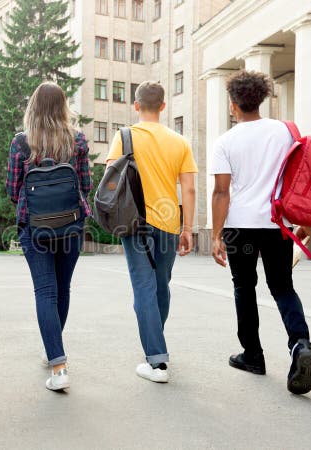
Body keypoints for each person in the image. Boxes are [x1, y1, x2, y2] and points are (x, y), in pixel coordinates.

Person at [210, 70, 311, 396]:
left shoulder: (225, 141)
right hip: (277, 222)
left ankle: (252, 356)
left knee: (244, 287)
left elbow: (221, 193)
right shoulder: (283, 132)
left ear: (233, 105)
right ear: (262, 99)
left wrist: (215, 235)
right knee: (283, 286)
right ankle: (300, 344)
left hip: (239, 227)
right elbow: (302, 176)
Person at [105, 81, 197, 384]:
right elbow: (190, 188)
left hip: (135, 223)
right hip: (169, 224)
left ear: (136, 106)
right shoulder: (179, 141)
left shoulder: (123, 137)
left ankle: (156, 361)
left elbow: (110, 180)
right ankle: (153, 345)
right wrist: (188, 228)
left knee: (144, 289)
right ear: (163, 106)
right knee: (160, 287)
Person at [6, 82, 92, 391]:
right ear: (63, 107)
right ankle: (52, 348)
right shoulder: (77, 141)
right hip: (71, 225)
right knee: (62, 288)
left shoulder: (21, 143)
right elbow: (85, 184)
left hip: (35, 226)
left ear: (33, 107)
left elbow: (13, 192)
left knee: (45, 292)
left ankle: (58, 366)